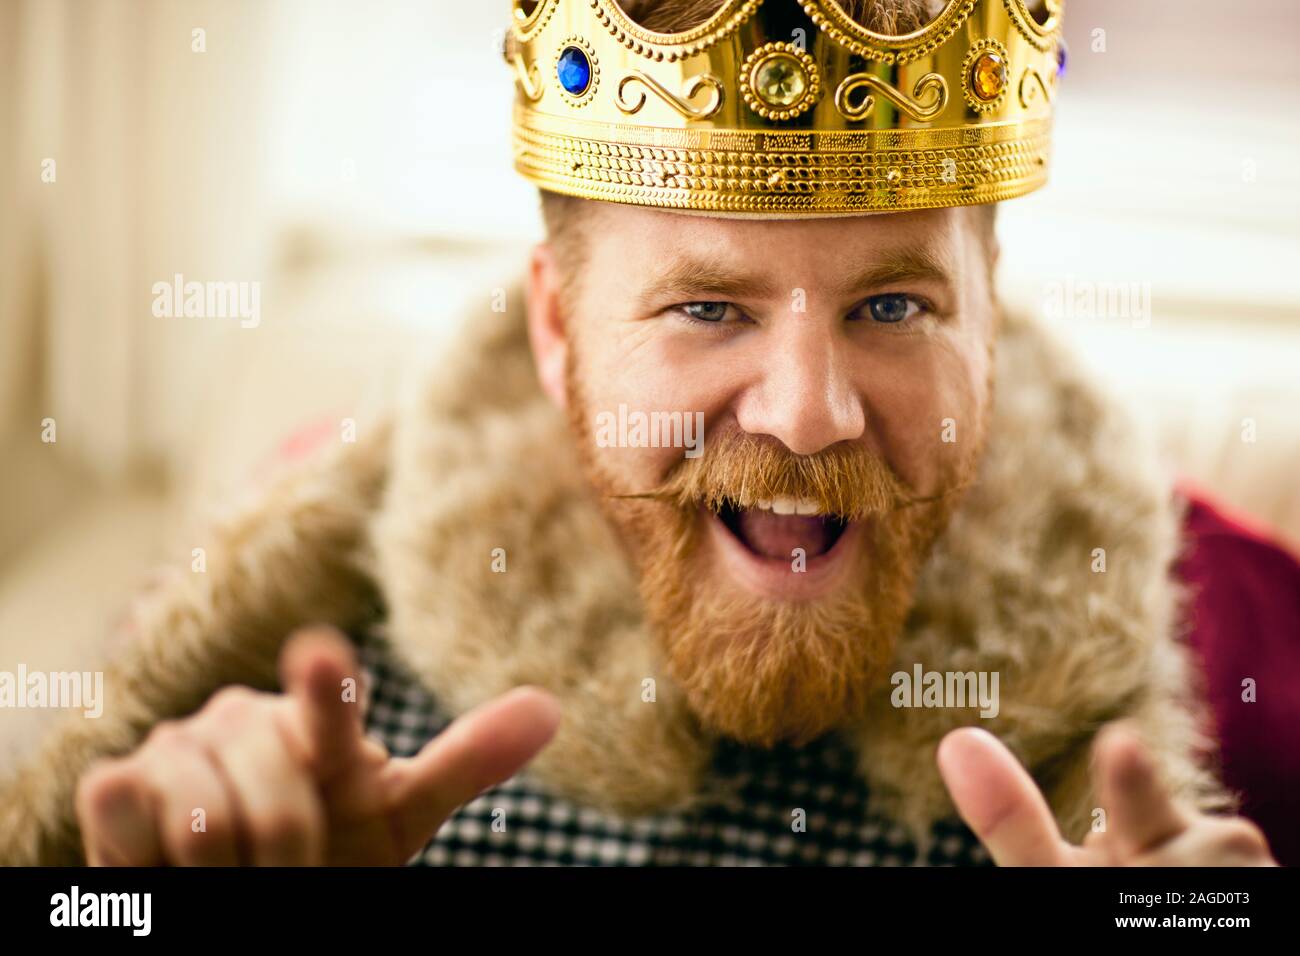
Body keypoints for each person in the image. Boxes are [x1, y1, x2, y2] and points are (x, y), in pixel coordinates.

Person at [1, 0, 1294, 867]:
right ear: (557, 330)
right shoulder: (289, 652)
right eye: (706, 307)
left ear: (989, 322)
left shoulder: (1249, 652)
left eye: (894, 305)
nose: (805, 413)